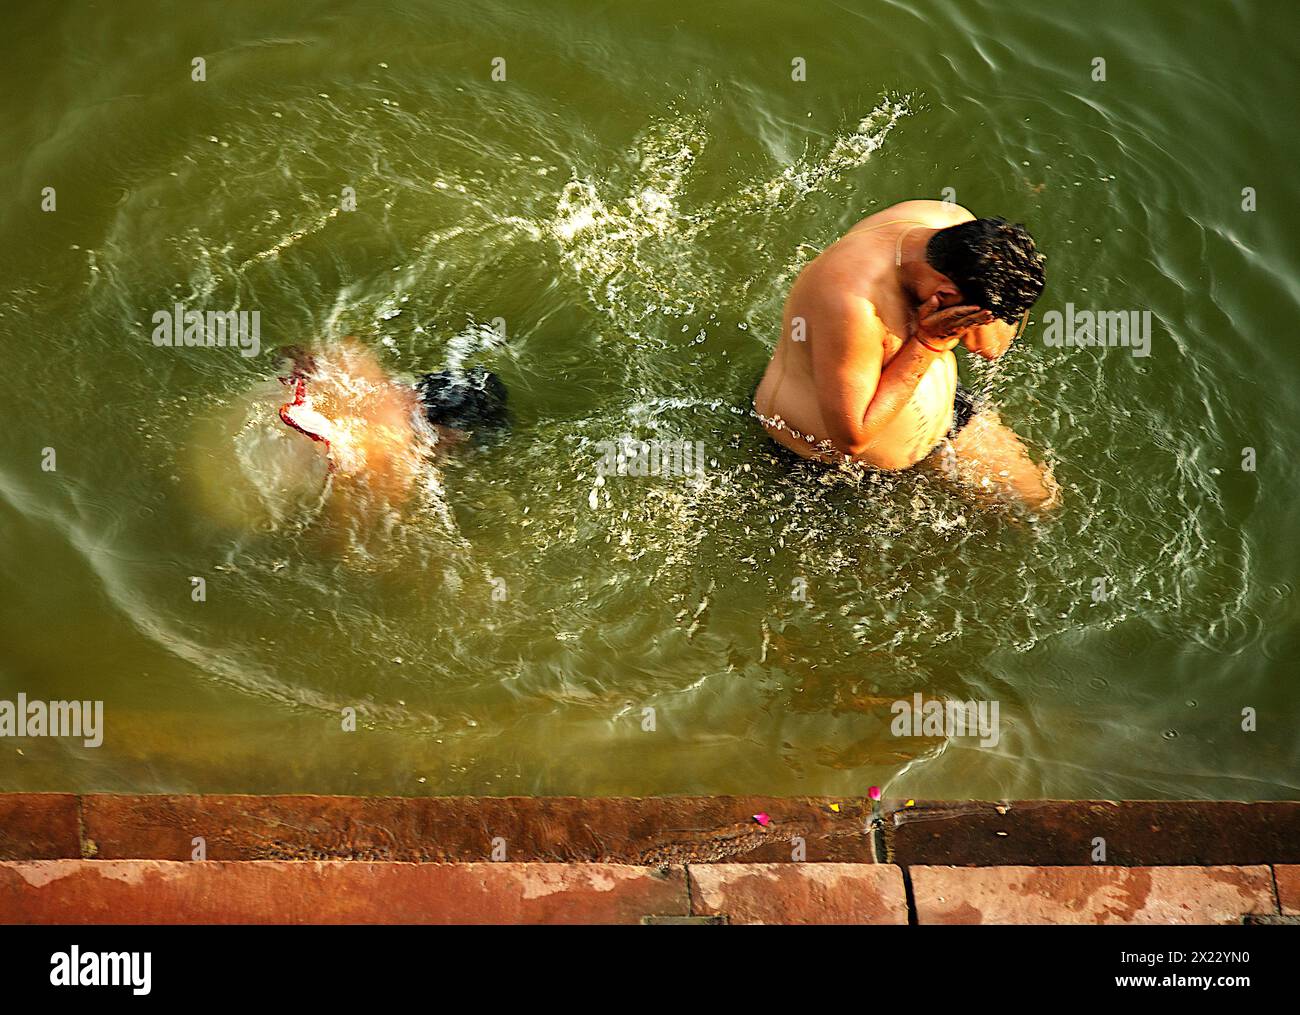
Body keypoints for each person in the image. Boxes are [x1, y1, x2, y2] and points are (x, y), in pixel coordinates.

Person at [754, 200, 1058, 510]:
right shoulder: (853, 304)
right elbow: (851, 438)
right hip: (829, 465)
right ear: (945, 295)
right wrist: (929, 342)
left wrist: (979, 315)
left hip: (937, 417)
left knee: (1038, 501)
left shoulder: (951, 222)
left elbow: (990, 347)